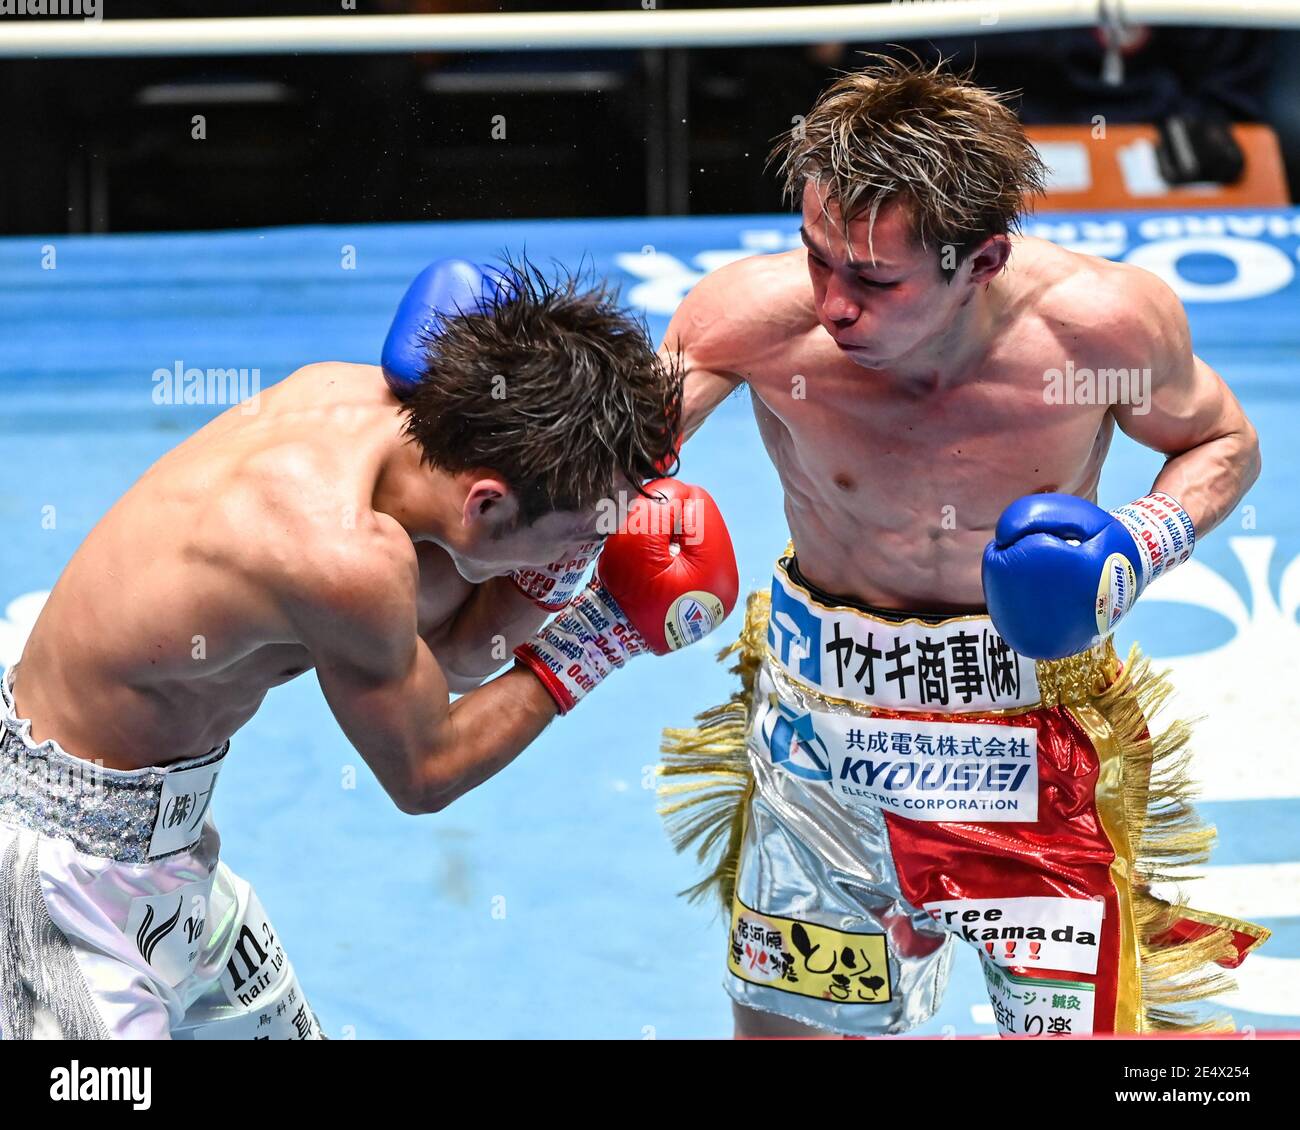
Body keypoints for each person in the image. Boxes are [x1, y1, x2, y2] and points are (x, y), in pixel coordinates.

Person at [659, 56, 1267, 1038]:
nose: (832, 302)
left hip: (1032, 732)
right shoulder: (749, 320)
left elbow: (1222, 441)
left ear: (979, 261)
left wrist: (1136, 544)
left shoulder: (1096, 330)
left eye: (872, 276)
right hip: (823, 732)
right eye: (815, 254)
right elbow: (604, 462)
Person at [0, 259, 738, 1040]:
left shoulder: (390, 422)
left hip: (171, 852)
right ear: (487, 502)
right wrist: (600, 633)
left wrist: (558, 557)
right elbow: (427, 771)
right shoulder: (338, 555)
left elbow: (454, 655)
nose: (579, 557)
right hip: (60, 881)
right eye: (573, 542)